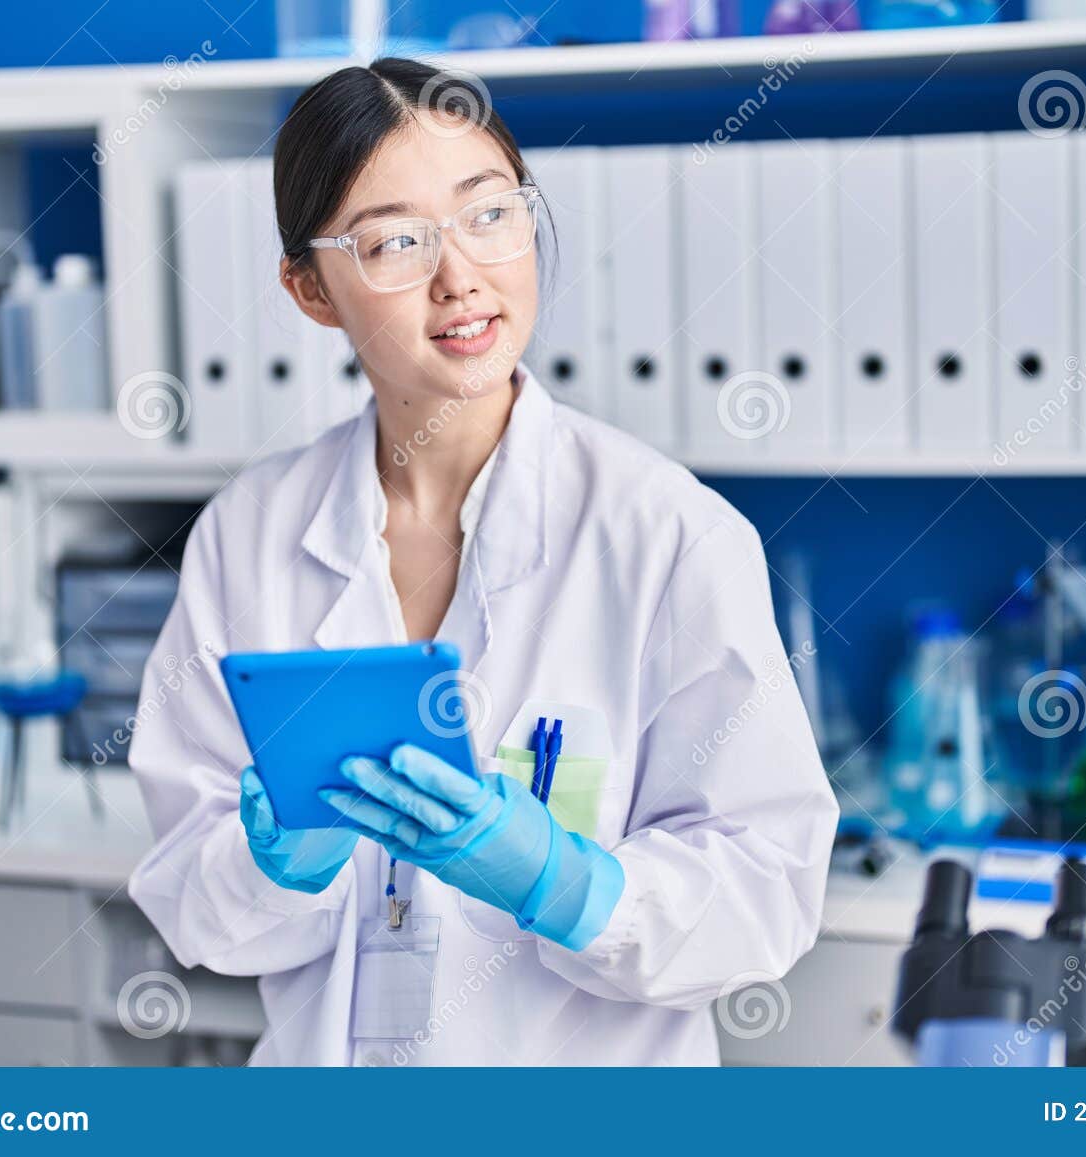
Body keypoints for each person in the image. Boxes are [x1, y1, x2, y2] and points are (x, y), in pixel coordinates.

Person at [126, 57, 837, 1066]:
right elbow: (193, 900)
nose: (460, 276)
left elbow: (768, 889)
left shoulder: (669, 534)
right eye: (396, 241)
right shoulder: (250, 534)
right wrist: (273, 865)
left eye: (489, 213)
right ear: (310, 288)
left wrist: (565, 882)